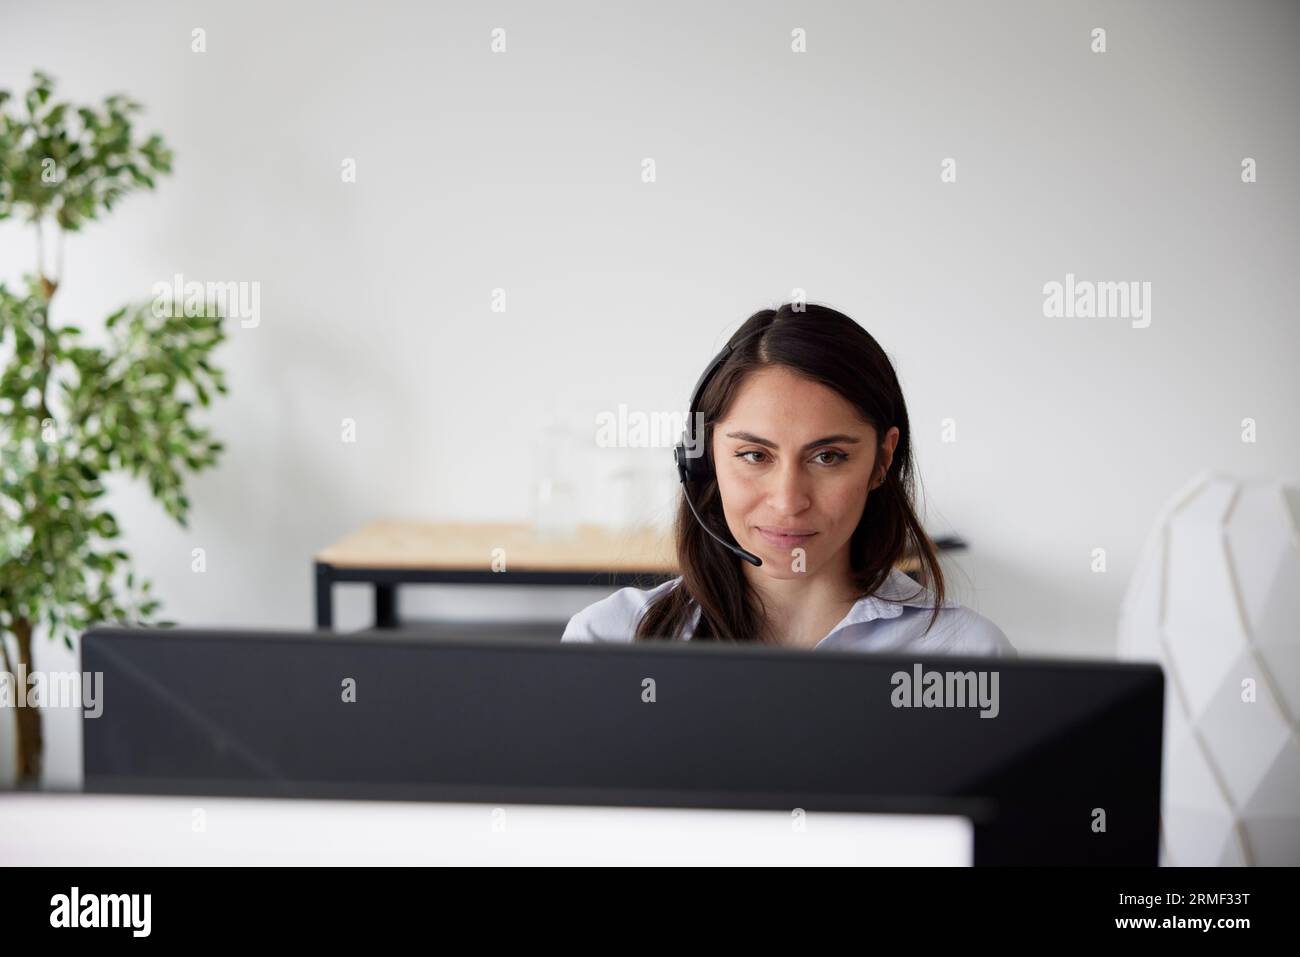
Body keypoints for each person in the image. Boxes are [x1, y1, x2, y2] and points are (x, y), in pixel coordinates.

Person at [562, 302, 1015, 655]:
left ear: (881, 460)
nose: (787, 501)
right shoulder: (609, 639)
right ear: (702, 461)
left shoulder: (965, 655)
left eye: (828, 456)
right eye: (754, 454)